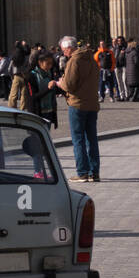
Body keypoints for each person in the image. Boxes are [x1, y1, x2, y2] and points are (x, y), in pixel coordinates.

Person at [52, 36, 100, 183]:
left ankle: (82, 173)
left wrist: (60, 83)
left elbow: (70, 85)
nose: (63, 53)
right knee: (91, 139)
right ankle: (94, 172)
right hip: (92, 103)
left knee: (78, 139)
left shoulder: (74, 60)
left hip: (77, 104)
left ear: (69, 48)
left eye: (63, 50)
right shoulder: (91, 58)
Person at [29, 50, 59, 130]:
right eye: (47, 63)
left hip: (49, 111)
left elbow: (53, 92)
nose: (50, 66)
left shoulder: (49, 73)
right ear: (40, 62)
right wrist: (48, 88)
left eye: (51, 63)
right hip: (38, 113)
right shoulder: (32, 75)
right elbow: (33, 97)